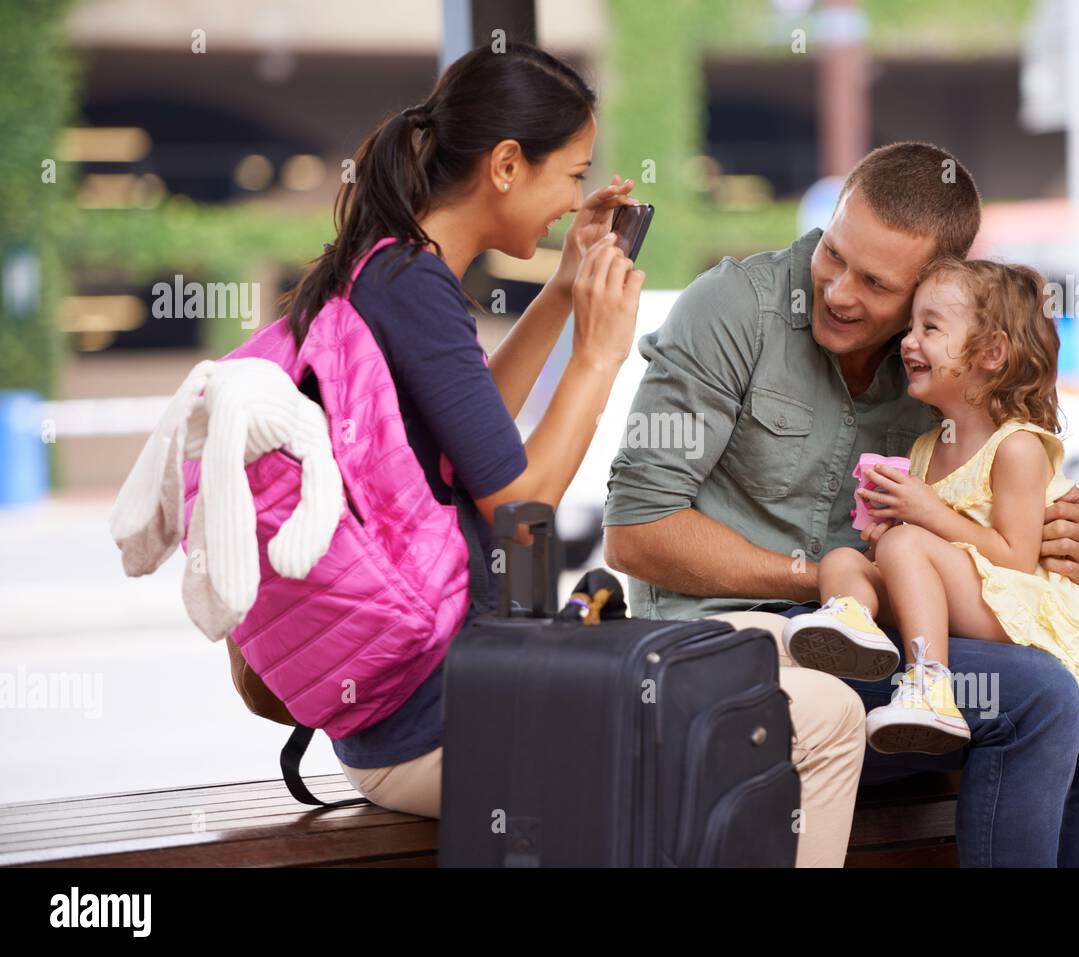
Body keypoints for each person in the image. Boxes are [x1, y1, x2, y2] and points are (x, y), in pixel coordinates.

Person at [278, 40, 867, 868]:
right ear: (508, 165)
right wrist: (599, 354)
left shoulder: (392, 270)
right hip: (443, 722)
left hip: (455, 693)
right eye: (574, 173)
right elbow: (522, 510)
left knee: (762, 646)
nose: (578, 198)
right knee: (829, 714)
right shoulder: (413, 284)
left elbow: (479, 425)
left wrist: (563, 289)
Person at [603, 141, 1079, 866]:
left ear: (930, 290)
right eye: (833, 255)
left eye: (877, 285)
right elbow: (636, 533)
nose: (840, 291)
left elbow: (1001, 518)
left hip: (905, 645)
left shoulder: (943, 362)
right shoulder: (730, 311)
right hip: (735, 648)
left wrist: (1072, 542)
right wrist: (822, 577)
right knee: (1034, 693)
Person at [784, 257, 1079, 757]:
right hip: (950, 598)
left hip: (1012, 609)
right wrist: (886, 530)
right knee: (844, 560)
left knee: (907, 541)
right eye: (910, 326)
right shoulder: (928, 446)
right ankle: (852, 624)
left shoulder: (1016, 448)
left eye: (930, 327)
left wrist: (922, 517)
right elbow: (924, 545)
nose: (909, 341)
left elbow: (1017, 559)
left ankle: (931, 687)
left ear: (992, 352)